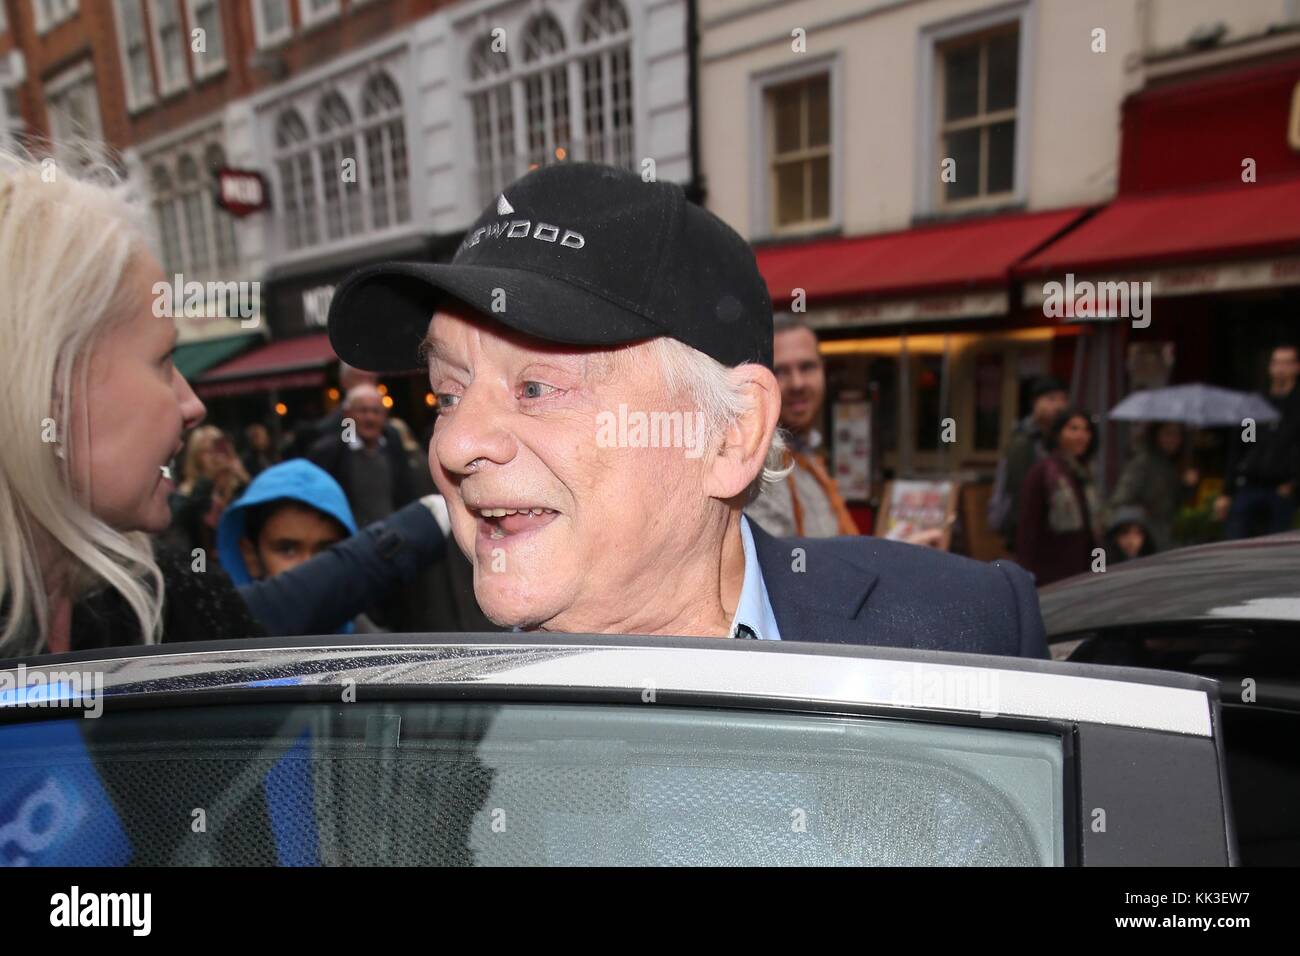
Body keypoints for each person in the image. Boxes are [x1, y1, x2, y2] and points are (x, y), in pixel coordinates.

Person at [326, 162, 1046, 656]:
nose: (455, 444)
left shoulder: (963, 628)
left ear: (732, 434)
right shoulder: (417, 736)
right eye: (447, 395)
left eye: (535, 388)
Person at [0, 147, 449, 658]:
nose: (192, 404)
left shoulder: (134, 597)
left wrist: (432, 518)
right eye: (163, 360)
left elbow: (255, 621)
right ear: (53, 383)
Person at [744, 314, 858, 538]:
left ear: (823, 370)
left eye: (807, 367)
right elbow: (781, 567)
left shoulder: (807, 456)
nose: (797, 383)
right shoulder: (759, 467)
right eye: (780, 371)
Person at [1215, 344, 1300, 538]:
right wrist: (1227, 491)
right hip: (1250, 484)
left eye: (1287, 363)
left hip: (1282, 487)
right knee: (1234, 540)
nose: (1281, 368)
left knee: (1276, 548)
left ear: (1296, 367)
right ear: (1270, 367)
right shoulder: (1255, 404)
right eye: (1276, 362)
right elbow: (1242, 446)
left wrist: (1295, 483)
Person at [308, 384, 417, 528]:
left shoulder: (394, 448)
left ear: (384, 416)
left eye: (376, 411)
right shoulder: (329, 452)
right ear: (348, 414)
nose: (370, 418)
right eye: (363, 411)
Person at [1016, 408, 1102, 586]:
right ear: (1058, 433)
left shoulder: (1085, 473)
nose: (1081, 435)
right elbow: (1028, 527)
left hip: (1083, 568)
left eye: (1086, 430)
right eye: (1073, 428)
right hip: (1051, 571)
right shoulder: (1044, 472)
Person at [989, 376, 1069, 552]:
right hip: (1028, 529)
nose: (1058, 406)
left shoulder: (1057, 438)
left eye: (1063, 400)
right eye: (1051, 399)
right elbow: (1019, 490)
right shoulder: (1024, 440)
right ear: (1035, 402)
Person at [1108, 421, 1198, 552]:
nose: (1173, 440)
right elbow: (1122, 498)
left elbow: (1177, 504)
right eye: (1168, 434)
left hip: (1164, 533)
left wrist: (1187, 486)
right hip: (1144, 535)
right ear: (1156, 435)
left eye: (1177, 435)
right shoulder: (1143, 462)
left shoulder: (1173, 464)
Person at [169, 425, 249, 555]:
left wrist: (242, 476)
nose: (215, 457)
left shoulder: (237, 488)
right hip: (201, 562)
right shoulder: (186, 492)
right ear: (196, 456)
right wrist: (208, 480)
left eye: (219, 449)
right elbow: (186, 530)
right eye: (207, 451)